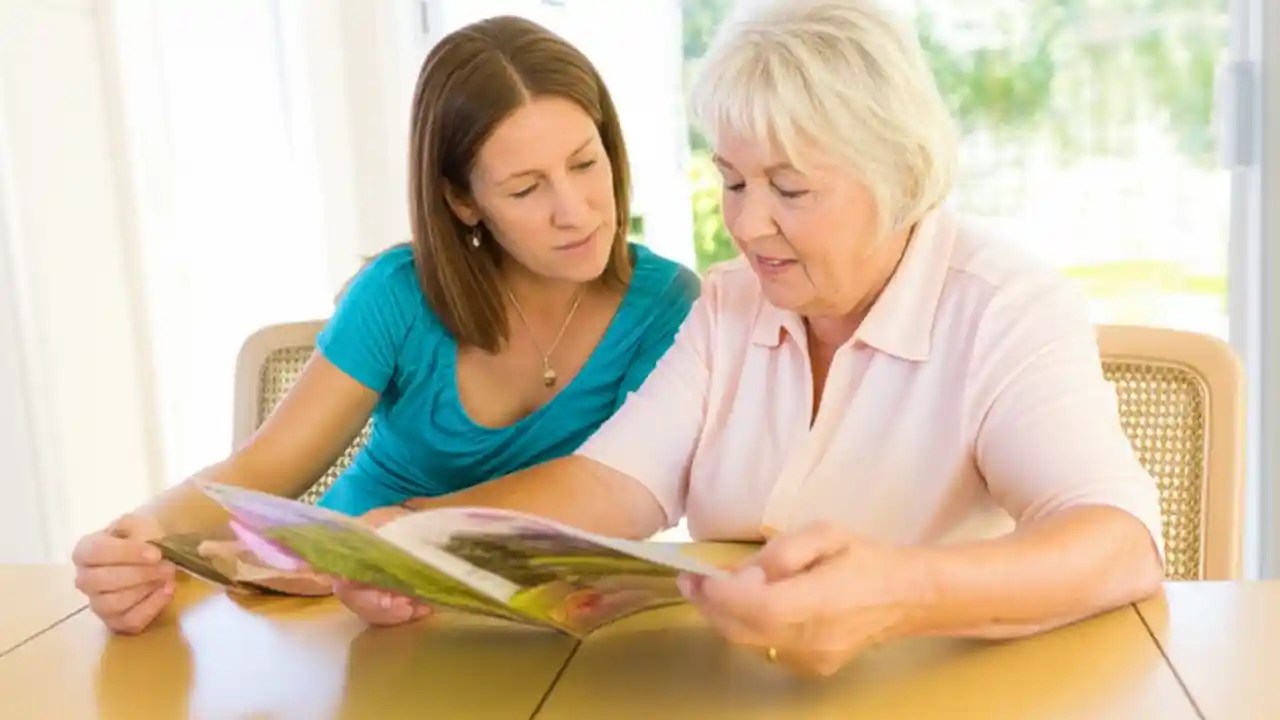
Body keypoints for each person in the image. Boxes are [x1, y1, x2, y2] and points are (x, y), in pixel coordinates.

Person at [338, 0, 1165, 676]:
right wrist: (413, 533)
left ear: (898, 173)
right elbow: (609, 486)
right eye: (731, 180)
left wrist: (903, 591)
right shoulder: (732, 306)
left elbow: (1118, 548)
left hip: (949, 688)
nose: (747, 222)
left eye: (790, 189)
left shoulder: (1002, 305)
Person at [70, 15, 700, 635]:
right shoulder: (399, 293)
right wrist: (138, 539)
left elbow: (615, 491)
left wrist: (404, 531)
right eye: (526, 188)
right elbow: (261, 471)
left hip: (518, 621)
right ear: (462, 202)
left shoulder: (668, 304)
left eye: (586, 163)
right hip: (339, 604)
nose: (574, 210)